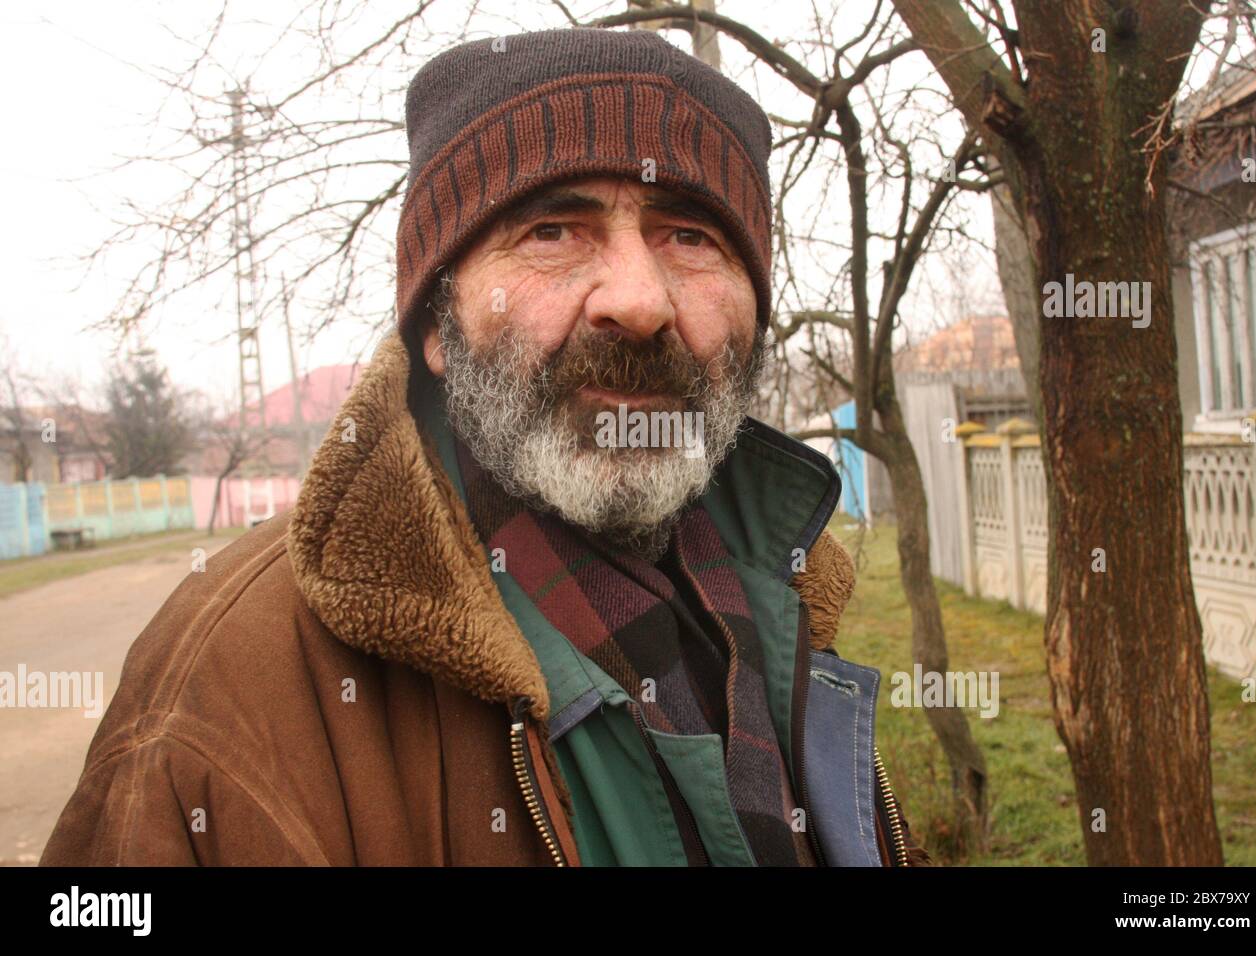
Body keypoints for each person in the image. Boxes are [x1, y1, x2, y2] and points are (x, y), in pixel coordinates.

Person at [41, 26, 928, 867]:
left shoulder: (785, 596)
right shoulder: (229, 682)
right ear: (436, 325)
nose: (639, 299)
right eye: (553, 231)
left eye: (690, 236)